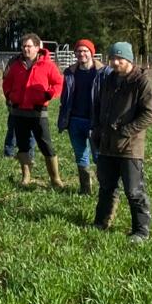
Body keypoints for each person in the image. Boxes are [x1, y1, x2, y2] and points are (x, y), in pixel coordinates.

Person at [91, 41, 152, 241]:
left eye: (119, 58)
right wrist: (96, 129)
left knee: (134, 191)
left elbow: (151, 114)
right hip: (106, 144)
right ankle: (101, 222)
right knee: (106, 187)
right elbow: (99, 106)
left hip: (130, 147)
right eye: (112, 58)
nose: (114, 62)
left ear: (128, 59)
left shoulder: (142, 82)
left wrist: (127, 131)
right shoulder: (108, 79)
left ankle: (141, 230)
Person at [1, 33, 64, 187]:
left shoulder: (48, 65)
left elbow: (58, 83)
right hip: (18, 111)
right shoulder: (16, 65)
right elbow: (7, 82)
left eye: (29, 46)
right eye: (23, 46)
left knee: (46, 145)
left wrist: (49, 94)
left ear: (37, 47)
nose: (26, 49)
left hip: (38, 112)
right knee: (22, 145)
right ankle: (26, 177)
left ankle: (55, 179)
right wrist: (9, 95)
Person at [55, 39, 101, 194]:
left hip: (95, 122)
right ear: (75, 53)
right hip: (74, 121)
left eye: (85, 51)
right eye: (79, 51)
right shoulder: (70, 72)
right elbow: (65, 97)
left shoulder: (102, 73)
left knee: (99, 156)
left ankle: (106, 190)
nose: (82, 54)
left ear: (91, 53)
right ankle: (85, 189)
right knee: (80, 156)